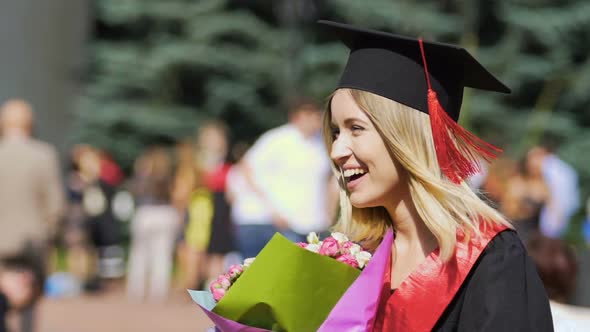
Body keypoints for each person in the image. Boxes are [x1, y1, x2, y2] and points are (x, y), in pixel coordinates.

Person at [319, 21, 552, 331]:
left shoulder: (490, 258)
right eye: (336, 132)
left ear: (408, 137)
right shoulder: (356, 255)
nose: (336, 151)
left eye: (356, 128)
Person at [0, 99, 65, 332]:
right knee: (28, 306)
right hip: (31, 242)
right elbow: (56, 205)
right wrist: (49, 234)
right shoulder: (43, 155)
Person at [240, 97, 338, 250]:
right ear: (296, 117)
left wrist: (330, 213)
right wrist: (270, 209)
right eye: (308, 115)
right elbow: (247, 168)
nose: (314, 120)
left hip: (314, 223)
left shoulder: (322, 143)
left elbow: (328, 180)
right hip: (283, 223)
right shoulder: (277, 139)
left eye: (316, 115)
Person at [126, 147, 181, 302]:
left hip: (145, 214)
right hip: (165, 214)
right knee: (162, 256)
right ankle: (158, 292)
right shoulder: (168, 177)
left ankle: (135, 290)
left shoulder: (144, 176)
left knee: (139, 255)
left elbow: (134, 191)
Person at [528, 145, 580, 239]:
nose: (530, 163)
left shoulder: (549, 169)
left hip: (555, 216)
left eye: (531, 159)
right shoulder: (560, 167)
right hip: (562, 214)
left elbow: (553, 195)